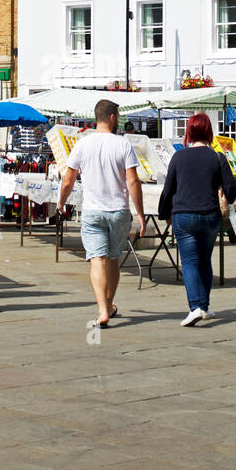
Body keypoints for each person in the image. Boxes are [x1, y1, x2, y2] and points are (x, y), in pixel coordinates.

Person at [57, 99, 145, 328]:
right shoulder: (122, 144)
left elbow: (68, 180)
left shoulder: (82, 145)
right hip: (118, 210)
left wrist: (61, 202)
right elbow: (133, 181)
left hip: (93, 210)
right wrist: (141, 214)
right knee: (114, 258)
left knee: (97, 259)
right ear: (113, 117)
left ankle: (102, 309)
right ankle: (110, 301)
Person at [157, 113, 236, 326]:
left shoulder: (178, 157)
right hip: (210, 215)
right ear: (209, 132)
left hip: (184, 215)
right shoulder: (217, 157)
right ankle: (204, 305)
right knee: (204, 260)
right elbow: (231, 186)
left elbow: (168, 191)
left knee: (190, 262)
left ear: (189, 132)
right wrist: (226, 197)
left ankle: (195, 307)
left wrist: (164, 214)